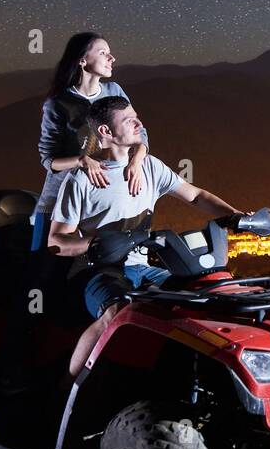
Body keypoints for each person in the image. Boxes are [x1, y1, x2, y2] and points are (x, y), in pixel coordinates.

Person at [49, 95, 240, 377]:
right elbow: (56, 242)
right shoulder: (80, 180)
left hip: (145, 268)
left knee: (208, 295)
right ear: (106, 131)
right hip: (99, 272)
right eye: (129, 120)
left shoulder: (149, 166)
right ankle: (72, 389)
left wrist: (236, 217)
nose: (139, 122)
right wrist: (98, 243)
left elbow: (196, 196)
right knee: (117, 312)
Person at [32, 32, 148, 252]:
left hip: (101, 198)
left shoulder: (114, 90)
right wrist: (81, 161)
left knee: (100, 260)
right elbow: (49, 160)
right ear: (82, 60)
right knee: (44, 265)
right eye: (103, 53)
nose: (111, 58)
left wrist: (138, 160)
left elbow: (139, 132)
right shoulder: (58, 104)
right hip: (59, 200)